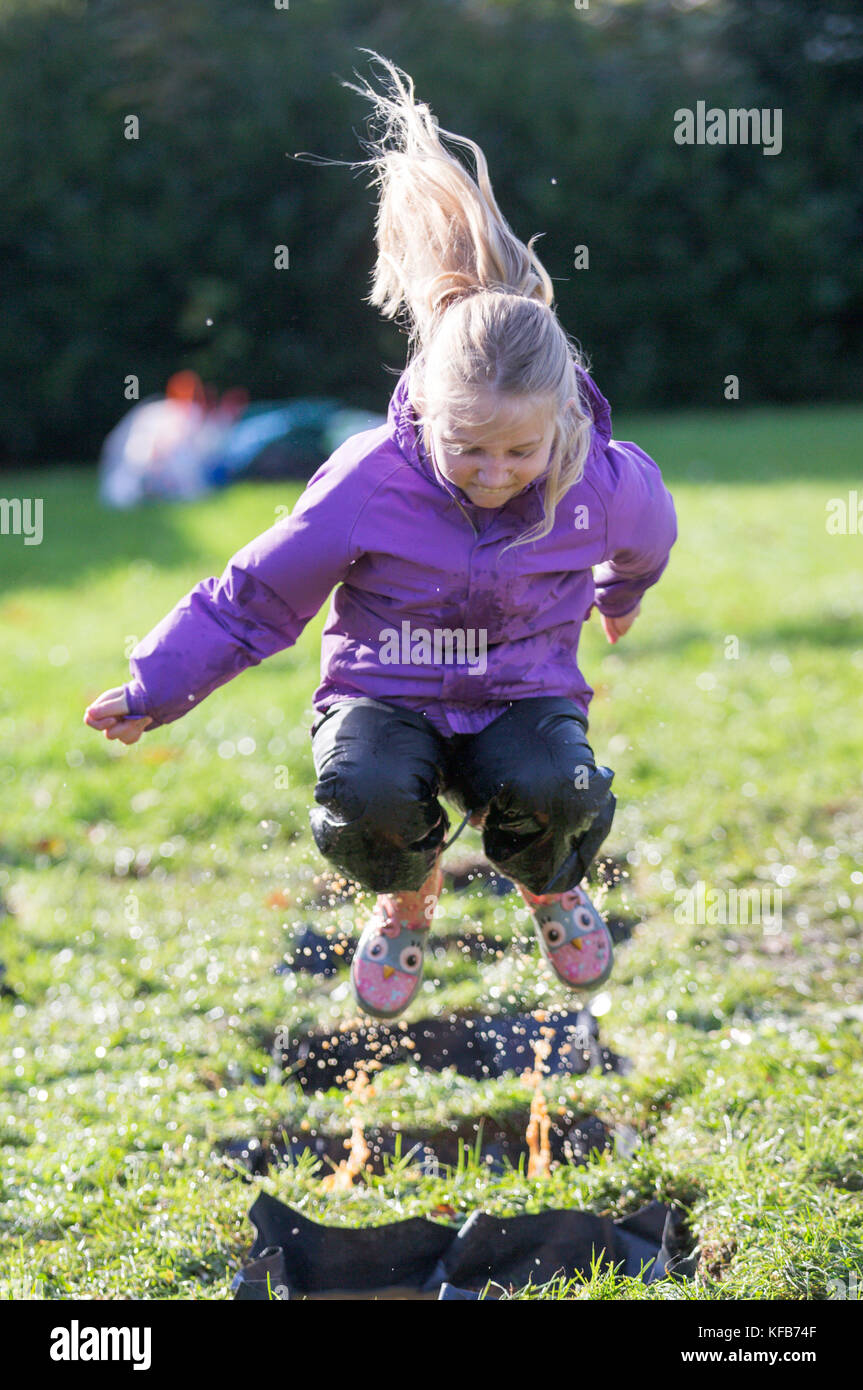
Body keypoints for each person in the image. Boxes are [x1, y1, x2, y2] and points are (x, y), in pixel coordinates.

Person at [83, 53, 677, 1022]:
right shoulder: (370, 476)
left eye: (516, 451)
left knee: (555, 787)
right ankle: (406, 900)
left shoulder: (602, 484)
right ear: (423, 416)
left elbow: (647, 543)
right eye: (464, 448)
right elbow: (257, 594)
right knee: (357, 797)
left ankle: (550, 885)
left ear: (561, 420)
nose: (490, 472)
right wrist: (160, 683)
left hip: (521, 694)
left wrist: (621, 595)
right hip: (384, 691)